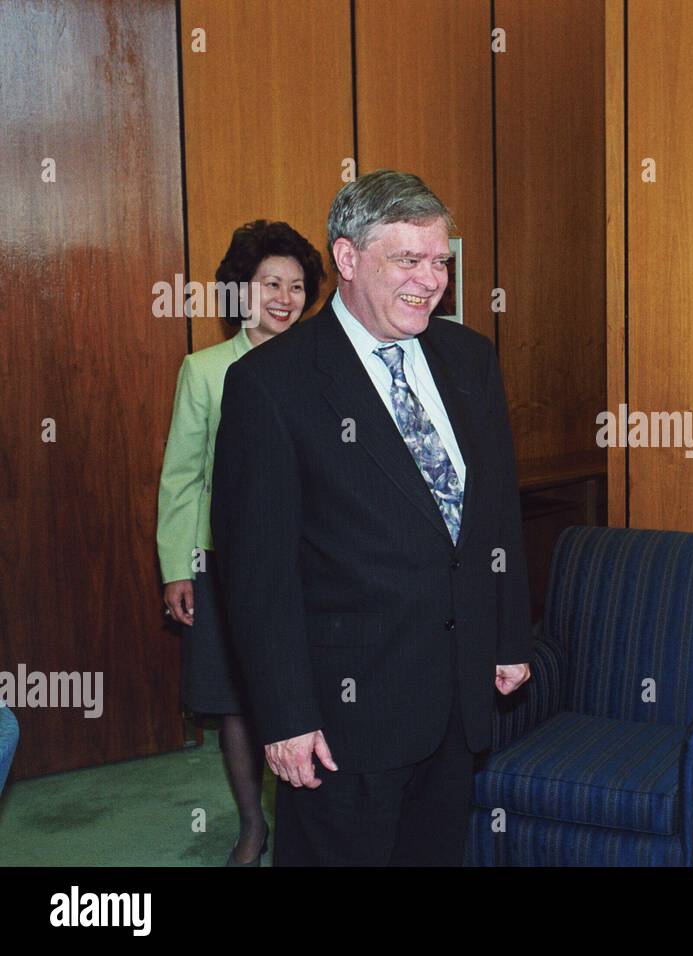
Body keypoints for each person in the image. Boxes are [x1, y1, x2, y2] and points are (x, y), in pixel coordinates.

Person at [210, 170, 532, 867]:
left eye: (440, 261)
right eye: (407, 261)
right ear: (348, 259)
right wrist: (287, 717)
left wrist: (507, 635)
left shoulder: (470, 357)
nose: (430, 279)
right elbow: (256, 576)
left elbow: (495, 515)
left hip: (456, 693)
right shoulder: (271, 384)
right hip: (342, 714)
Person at [156, 219, 325, 866]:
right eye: (269, 284)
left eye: (296, 285)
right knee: (236, 702)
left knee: (307, 693)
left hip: (309, 562)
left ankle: (306, 822)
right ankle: (253, 827)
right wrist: (180, 568)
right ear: (241, 292)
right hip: (223, 566)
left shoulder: (320, 366)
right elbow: (182, 478)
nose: (283, 297)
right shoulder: (203, 371)